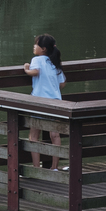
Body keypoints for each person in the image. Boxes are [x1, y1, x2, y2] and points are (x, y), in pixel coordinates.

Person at [25, 34, 66, 170]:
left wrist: (26, 69)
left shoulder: (37, 59)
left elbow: (35, 72)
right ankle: (54, 168)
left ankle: (36, 167)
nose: (34, 47)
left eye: (36, 45)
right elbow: (62, 83)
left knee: (34, 136)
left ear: (43, 49)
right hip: (55, 102)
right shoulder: (54, 62)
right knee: (55, 135)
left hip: (39, 102)